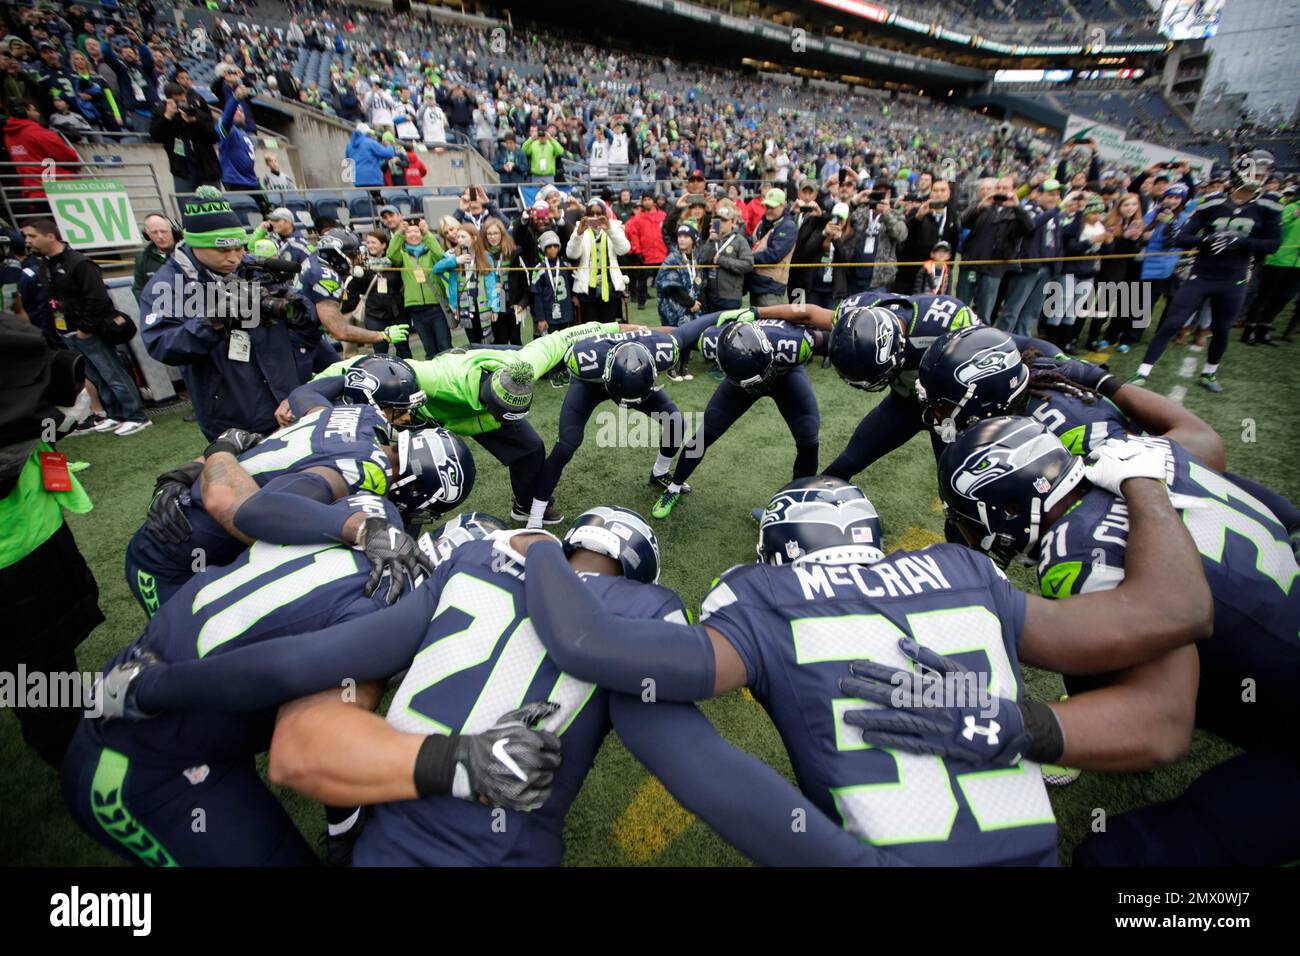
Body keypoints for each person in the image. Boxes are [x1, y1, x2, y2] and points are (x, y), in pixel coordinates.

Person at [520, 448, 1212, 864]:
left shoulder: (761, 597)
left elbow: (601, 651)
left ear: (780, 552)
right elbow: (1172, 618)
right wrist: (1144, 484)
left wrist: (543, 548)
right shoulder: (967, 574)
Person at [95, 510, 690, 867]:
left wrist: (154, 687)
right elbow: (697, 764)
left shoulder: (448, 564)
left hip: (384, 831)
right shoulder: (648, 612)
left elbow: (293, 675)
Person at [930, 419, 1299, 866]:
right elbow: (1210, 444)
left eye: (968, 520)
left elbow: (1163, 728)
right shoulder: (1140, 458)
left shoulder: (1079, 554)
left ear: (1006, 507)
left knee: (1117, 858)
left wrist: (1010, 723)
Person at [0, 314, 101, 767]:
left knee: (53, 649)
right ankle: (69, 753)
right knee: (27, 665)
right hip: (9, 554)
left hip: (36, 525)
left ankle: (68, 720)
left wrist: (49, 415)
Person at [141, 187, 301, 439]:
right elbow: (162, 344)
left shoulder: (252, 267)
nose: (234, 258)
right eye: (223, 251)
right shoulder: (167, 285)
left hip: (286, 401)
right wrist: (216, 320)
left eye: (238, 248)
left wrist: (297, 305)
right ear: (196, 245)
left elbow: (295, 320)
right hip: (232, 414)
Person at [1132, 151, 1282, 393]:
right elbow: (1182, 238)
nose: (1259, 177)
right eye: (1255, 171)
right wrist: (1209, 239)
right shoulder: (1213, 202)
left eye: (1263, 173)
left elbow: (1272, 245)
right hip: (1202, 274)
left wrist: (1239, 241)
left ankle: (1209, 372)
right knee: (1172, 322)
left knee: (1221, 328)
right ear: (1239, 171)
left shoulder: (1268, 205)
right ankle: (1143, 371)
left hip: (1234, 277)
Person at [652, 311, 825, 519]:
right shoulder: (713, 340)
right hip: (739, 381)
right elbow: (678, 336)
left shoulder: (795, 343)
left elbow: (830, 335)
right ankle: (673, 488)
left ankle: (798, 509)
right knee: (704, 434)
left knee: (809, 440)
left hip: (784, 374)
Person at [21, 218, 149, 436]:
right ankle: (115, 414)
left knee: (112, 372)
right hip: (67, 331)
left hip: (90, 331)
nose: (28, 241)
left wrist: (85, 328)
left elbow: (97, 298)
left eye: (32, 236)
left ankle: (136, 415)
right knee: (95, 376)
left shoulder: (79, 263)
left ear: (50, 236)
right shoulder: (45, 264)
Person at [959, 178, 1033, 323]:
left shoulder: (1015, 212)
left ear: (1013, 190)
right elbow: (963, 222)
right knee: (961, 308)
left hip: (993, 269)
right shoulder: (983, 207)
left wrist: (1017, 207)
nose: (1000, 191)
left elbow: (1029, 228)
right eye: (998, 188)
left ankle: (980, 342)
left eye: (1005, 188)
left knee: (985, 312)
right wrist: (979, 207)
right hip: (970, 264)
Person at [567, 200, 630, 325]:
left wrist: (610, 230)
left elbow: (624, 249)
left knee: (609, 327)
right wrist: (578, 234)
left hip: (610, 289)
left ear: (605, 214)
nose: (595, 217)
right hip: (588, 289)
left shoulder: (614, 226)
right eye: (591, 213)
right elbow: (572, 254)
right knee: (590, 328)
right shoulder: (580, 227)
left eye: (599, 213)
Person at [845, 183, 907, 296]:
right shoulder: (862, 212)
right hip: (854, 276)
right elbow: (844, 219)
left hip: (879, 280)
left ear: (889, 195)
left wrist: (887, 215)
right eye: (877, 193)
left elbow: (901, 236)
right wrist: (855, 201)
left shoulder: (895, 214)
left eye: (883, 194)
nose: (880, 198)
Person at [697, 204, 753, 312]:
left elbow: (748, 264)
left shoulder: (739, 240)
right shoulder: (712, 238)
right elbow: (703, 261)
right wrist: (711, 242)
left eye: (724, 220)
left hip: (730, 297)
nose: (720, 223)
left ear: (732, 222)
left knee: (728, 328)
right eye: (718, 220)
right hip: (711, 296)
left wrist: (721, 260)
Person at [748, 188, 798, 306]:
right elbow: (751, 241)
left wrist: (747, 257)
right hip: (756, 283)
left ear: (782, 206)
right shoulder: (763, 222)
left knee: (768, 323)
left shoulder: (788, 227)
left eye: (772, 207)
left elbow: (774, 255)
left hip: (772, 287)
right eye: (767, 207)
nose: (768, 210)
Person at [655, 223, 703, 336]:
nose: (681, 239)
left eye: (686, 237)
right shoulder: (672, 259)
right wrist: (691, 303)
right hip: (674, 309)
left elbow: (702, 281)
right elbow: (672, 287)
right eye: (679, 236)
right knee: (674, 338)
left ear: (693, 240)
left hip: (692, 307)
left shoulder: (697, 258)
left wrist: (698, 302)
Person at [623, 193, 667, 310]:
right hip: (646, 255)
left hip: (662, 253)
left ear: (653, 201)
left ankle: (666, 301)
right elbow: (634, 234)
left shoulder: (663, 215)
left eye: (649, 199)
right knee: (642, 281)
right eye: (645, 200)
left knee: (665, 280)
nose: (647, 201)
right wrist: (637, 251)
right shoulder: (638, 217)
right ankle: (641, 302)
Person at [132, 213, 178, 301]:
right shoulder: (142, 259)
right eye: (154, 232)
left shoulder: (187, 252)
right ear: (147, 235)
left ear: (173, 231)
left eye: (163, 231)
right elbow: (139, 289)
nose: (160, 236)